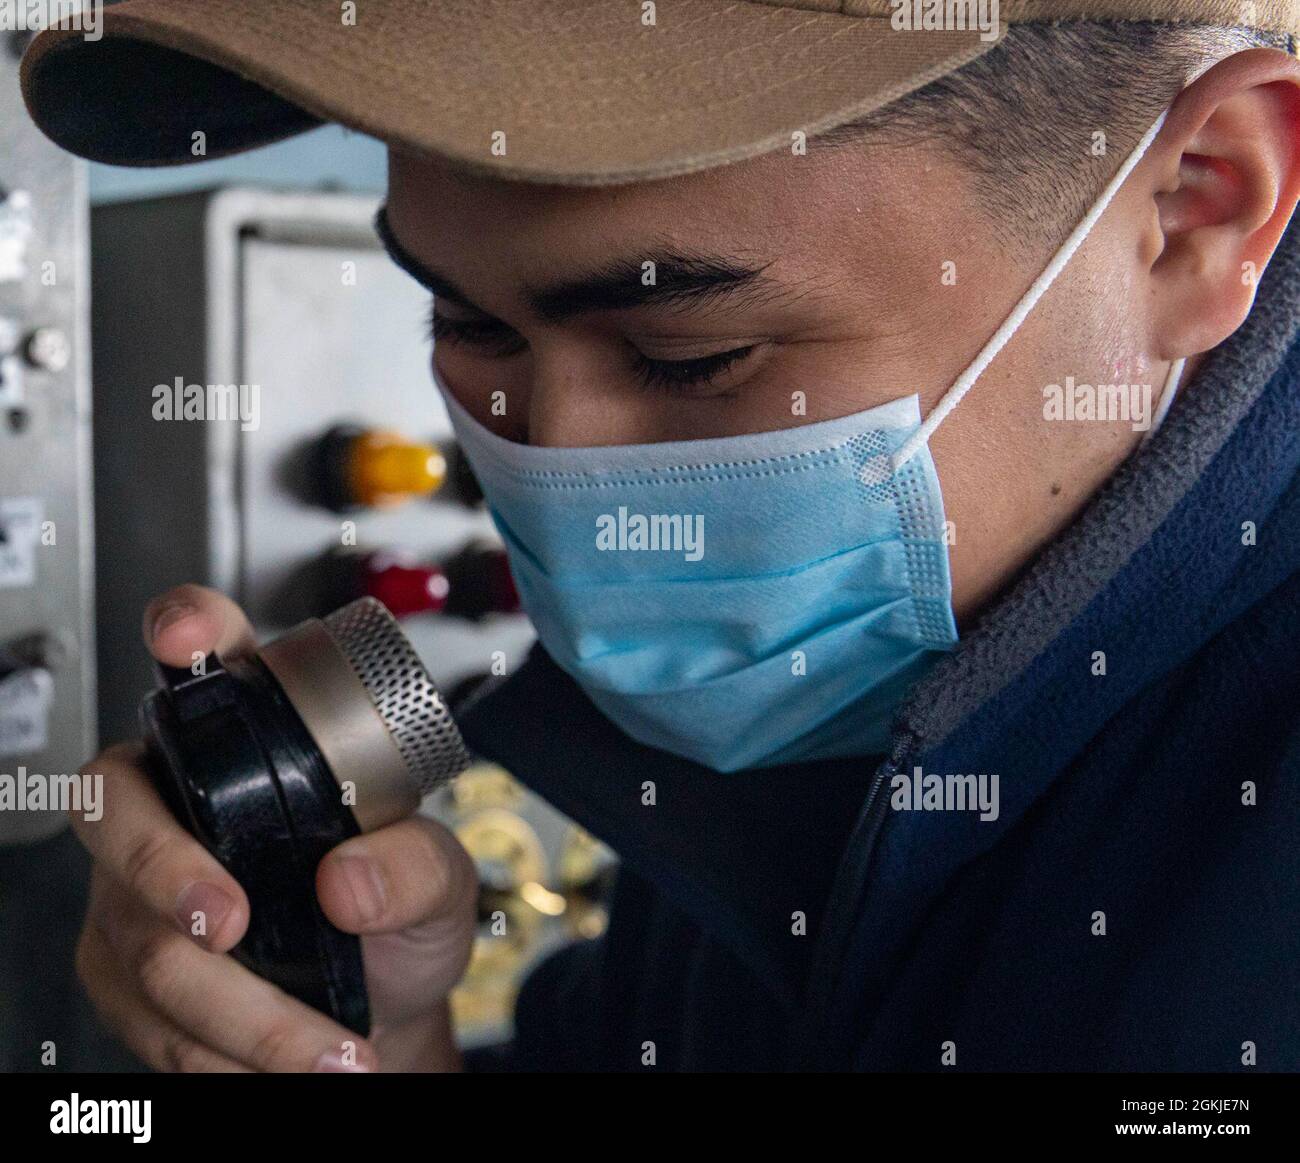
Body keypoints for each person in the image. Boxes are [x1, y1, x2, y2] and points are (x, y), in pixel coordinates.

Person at [21, 1, 1300, 1071]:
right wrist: (377, 1042)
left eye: (693, 356)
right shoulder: (820, 718)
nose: (560, 470)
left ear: (1198, 208)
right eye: (469, 327)